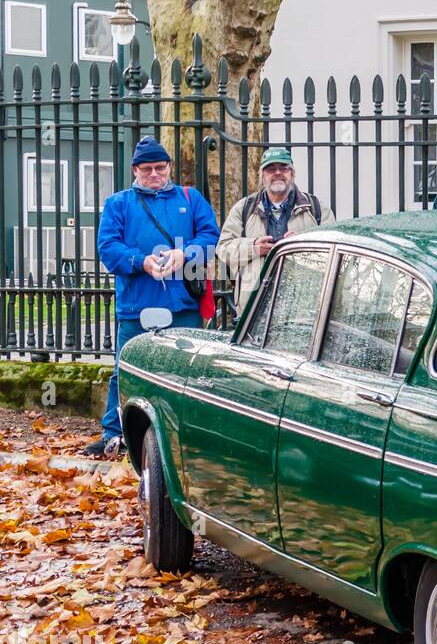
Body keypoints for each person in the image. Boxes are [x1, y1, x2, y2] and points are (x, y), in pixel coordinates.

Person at [84, 137, 219, 458]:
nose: (155, 174)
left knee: (187, 368)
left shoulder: (191, 198)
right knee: (125, 368)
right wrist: (141, 261)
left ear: (170, 167)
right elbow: (108, 247)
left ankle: (188, 432)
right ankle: (113, 432)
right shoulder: (119, 203)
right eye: (147, 169)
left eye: (160, 167)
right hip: (136, 304)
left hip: (182, 303)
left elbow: (211, 237)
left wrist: (184, 254)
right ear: (135, 170)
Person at [216, 147, 334, 315]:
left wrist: (303, 243)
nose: (277, 172)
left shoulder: (316, 209)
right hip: (255, 309)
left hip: (304, 310)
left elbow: (334, 252)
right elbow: (223, 249)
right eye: (271, 168)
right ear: (262, 175)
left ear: (292, 173)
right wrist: (253, 247)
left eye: (283, 167)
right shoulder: (244, 208)